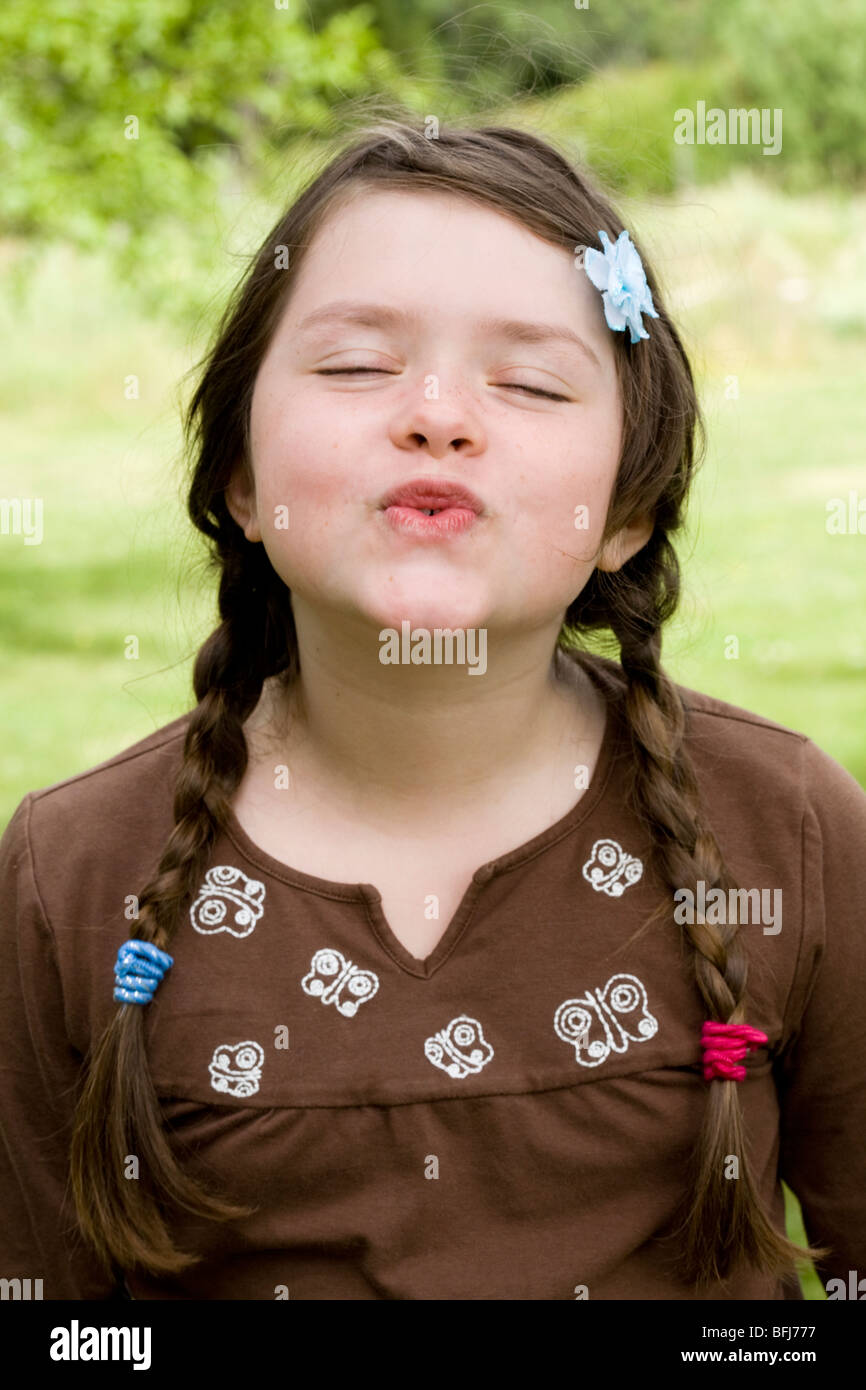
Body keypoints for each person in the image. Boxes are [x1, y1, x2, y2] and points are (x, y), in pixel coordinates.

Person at [1, 120, 864, 1301]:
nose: (438, 414)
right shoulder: (71, 872)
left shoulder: (788, 827)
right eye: (357, 364)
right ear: (240, 478)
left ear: (628, 509)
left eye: (529, 381)